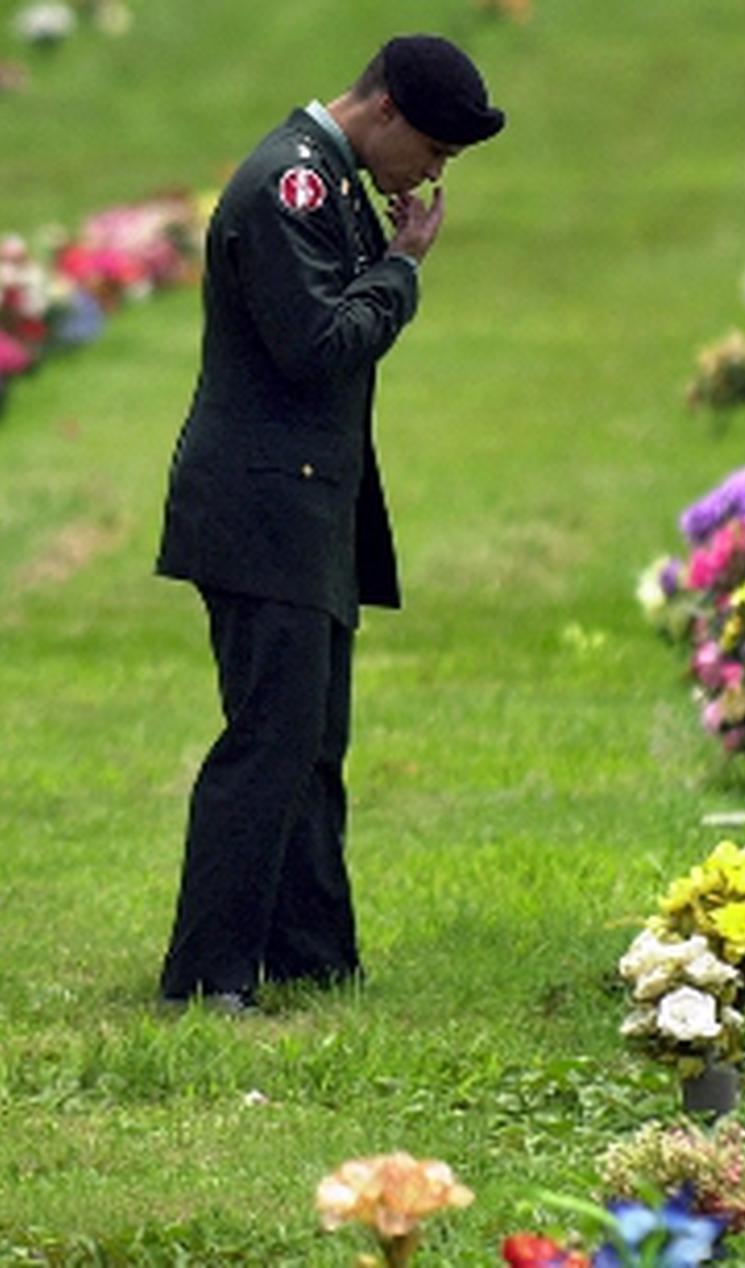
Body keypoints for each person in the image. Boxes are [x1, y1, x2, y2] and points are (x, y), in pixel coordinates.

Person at [154, 34, 505, 1014]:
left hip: (300, 506)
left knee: (311, 741)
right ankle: (207, 977)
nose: (433, 174)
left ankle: (310, 957)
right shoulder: (292, 187)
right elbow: (317, 347)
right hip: (263, 508)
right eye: (432, 149)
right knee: (268, 743)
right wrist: (400, 269)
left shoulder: (330, 180)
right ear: (384, 109)